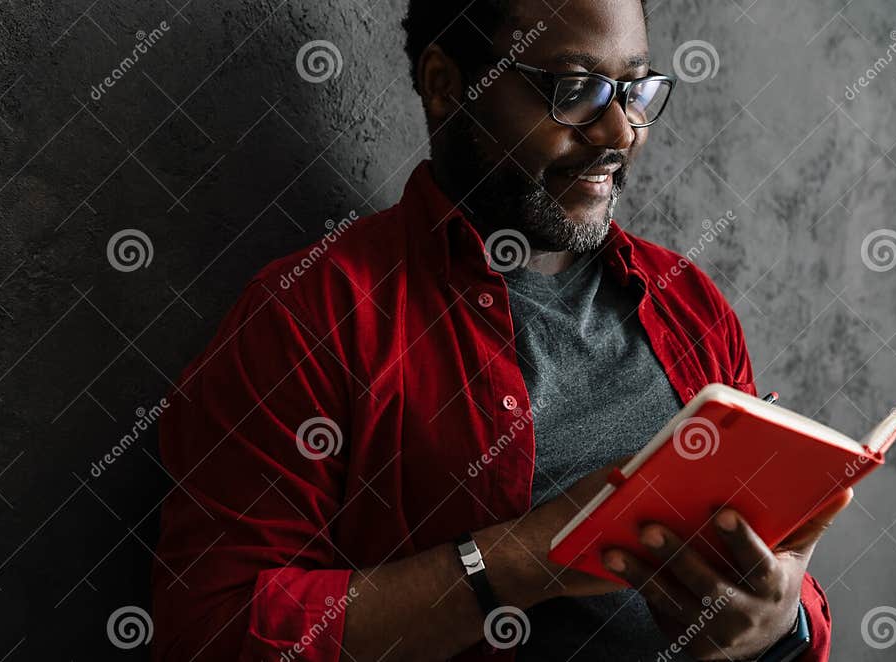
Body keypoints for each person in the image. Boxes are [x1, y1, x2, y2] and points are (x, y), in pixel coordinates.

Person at [151, 1, 852, 660]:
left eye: (635, 91)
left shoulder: (689, 305)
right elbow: (209, 631)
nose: (618, 134)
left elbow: (771, 575)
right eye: (574, 89)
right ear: (445, 84)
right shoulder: (311, 315)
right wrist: (520, 560)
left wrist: (779, 622)